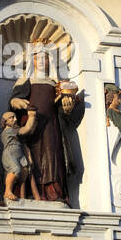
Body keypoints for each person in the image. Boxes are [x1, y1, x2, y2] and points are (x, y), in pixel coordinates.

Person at [8, 46, 84, 203]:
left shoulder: (56, 84)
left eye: (45, 58)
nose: (41, 61)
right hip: (31, 124)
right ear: (32, 60)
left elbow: (63, 111)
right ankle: (29, 191)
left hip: (51, 126)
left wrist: (67, 107)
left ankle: (53, 192)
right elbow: (13, 102)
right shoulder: (26, 81)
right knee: (30, 159)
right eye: (37, 58)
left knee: (52, 157)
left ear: (50, 61)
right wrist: (16, 102)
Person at [0, 109, 37, 202]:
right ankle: (7, 191)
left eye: (15, 117)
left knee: (24, 171)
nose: (15, 119)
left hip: (19, 152)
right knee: (15, 169)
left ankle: (22, 196)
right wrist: (31, 116)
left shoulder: (14, 130)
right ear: (5, 121)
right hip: (10, 153)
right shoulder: (8, 131)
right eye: (12, 118)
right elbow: (26, 129)